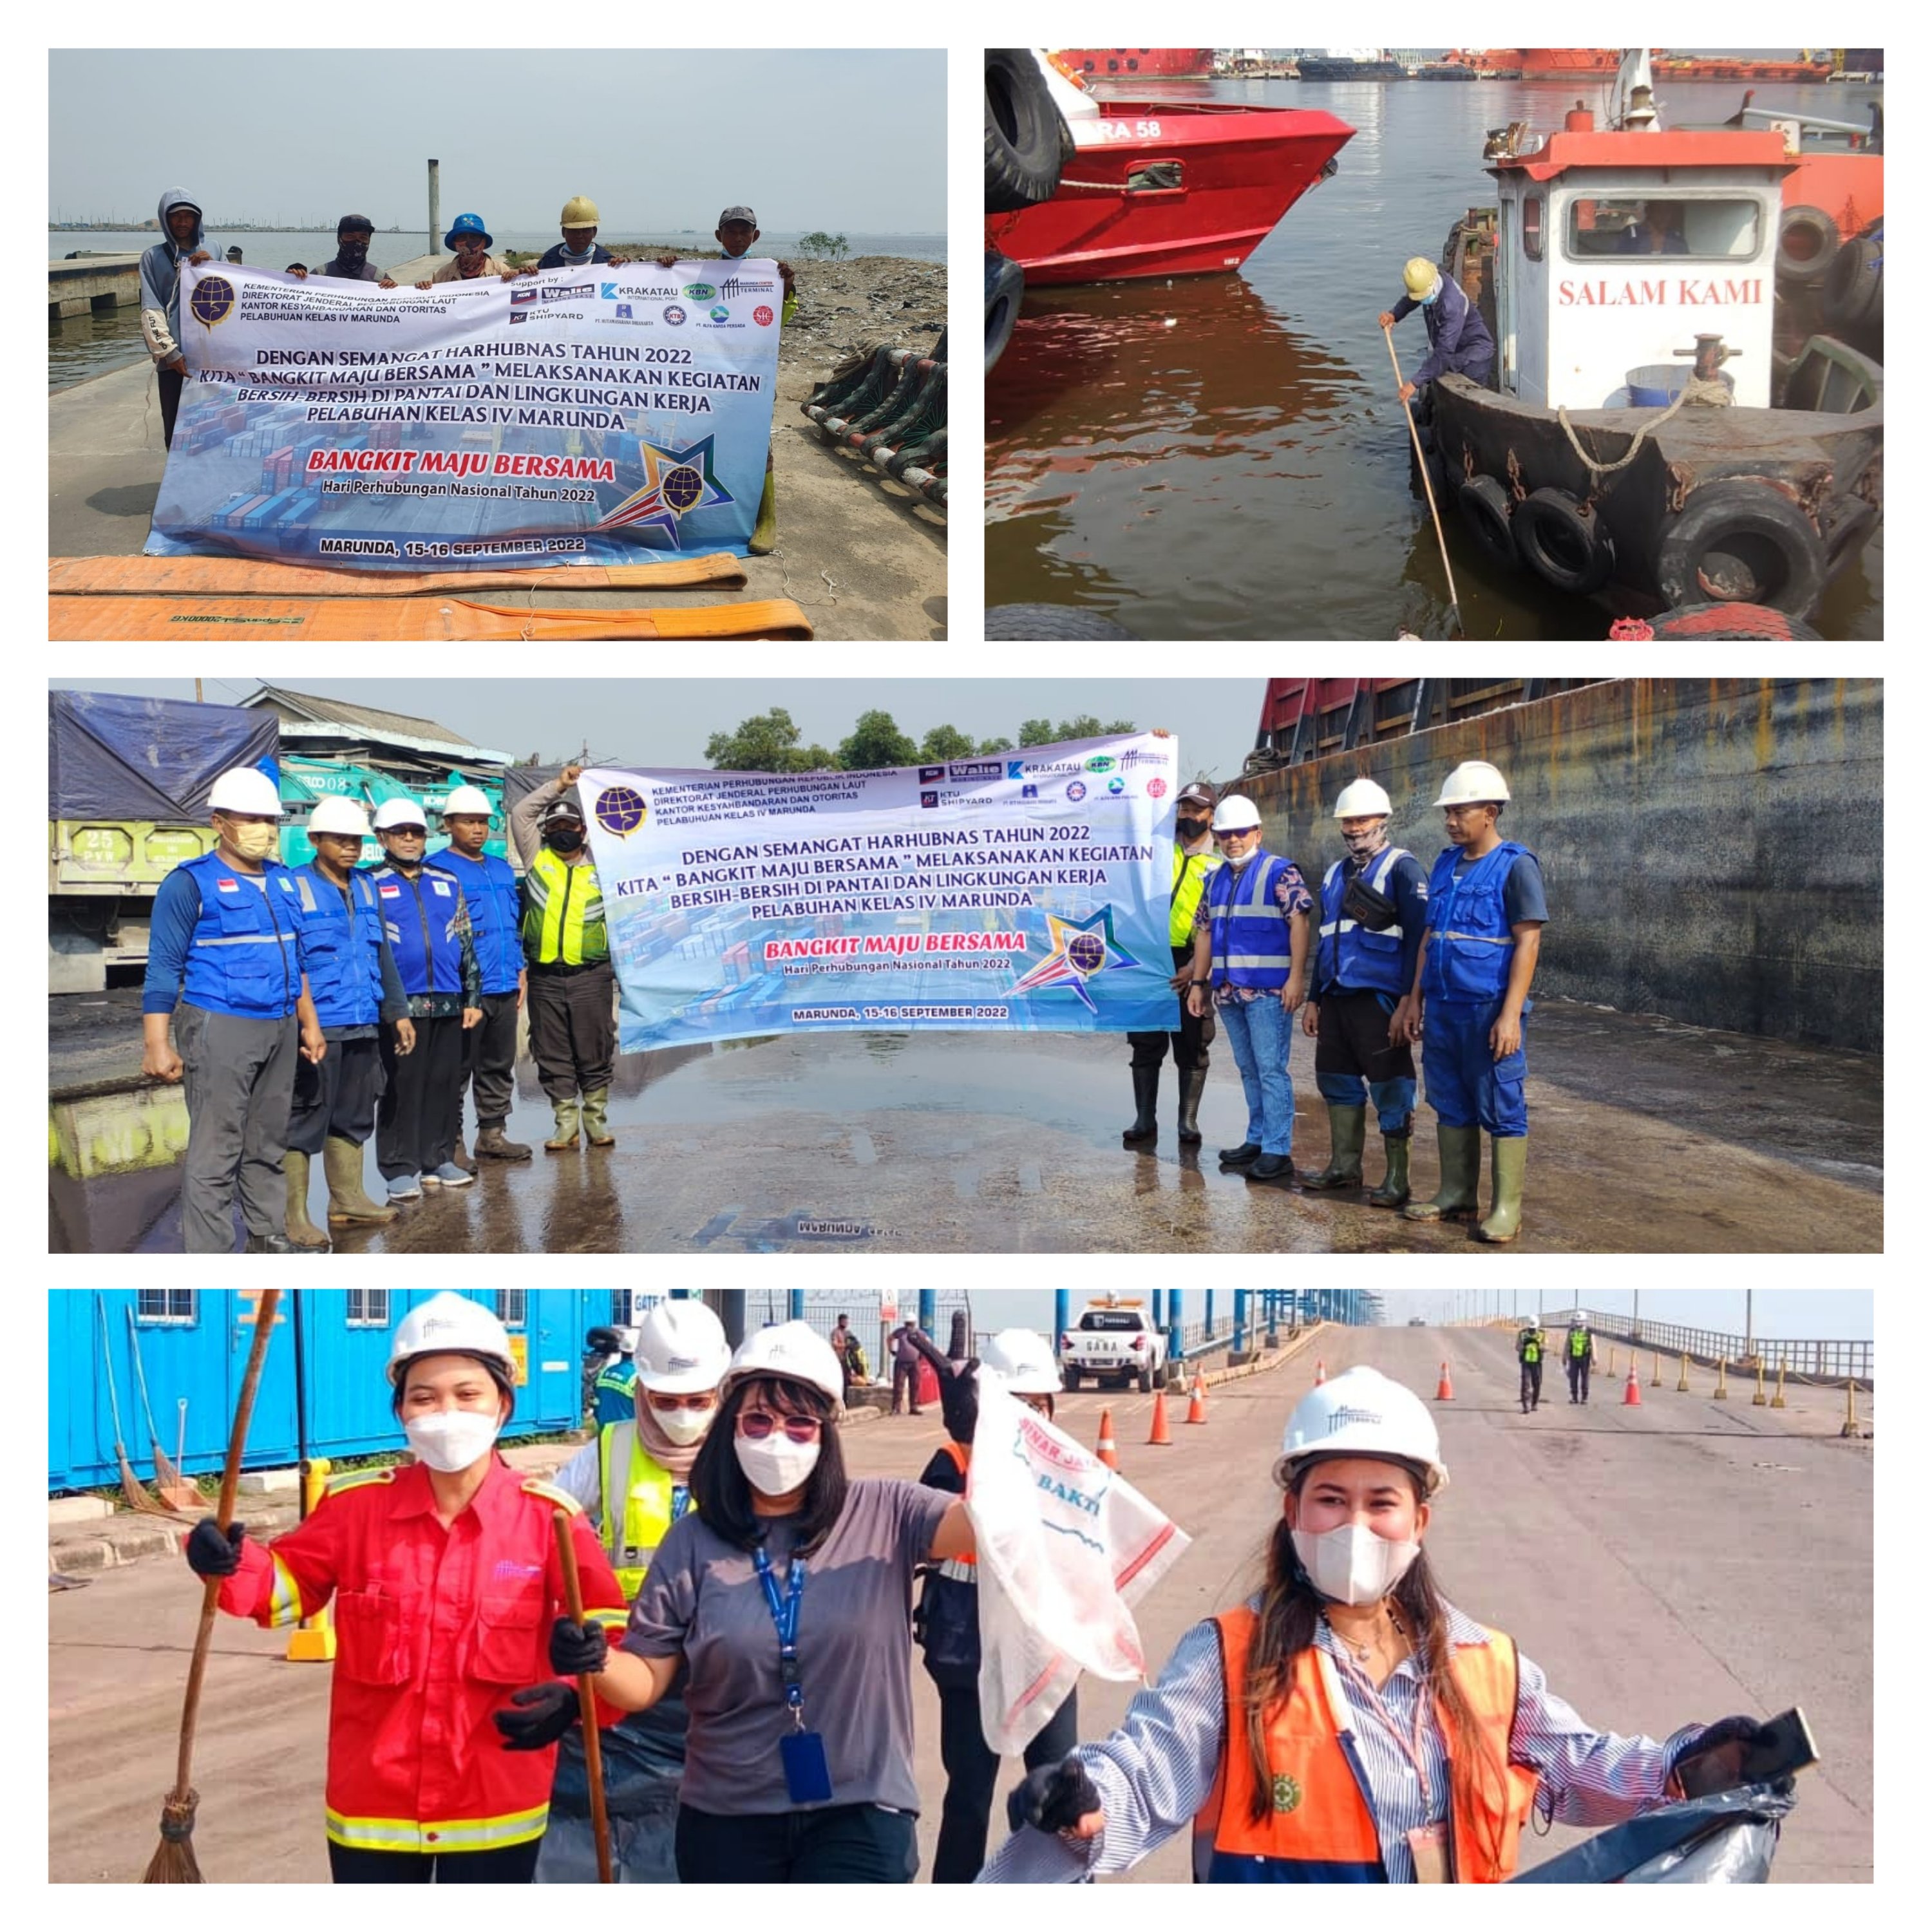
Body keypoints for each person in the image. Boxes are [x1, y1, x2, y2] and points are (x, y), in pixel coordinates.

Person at [983, 1365, 1785, 1884]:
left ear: (1420, 1521)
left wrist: (1694, 1765)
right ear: (1293, 1510)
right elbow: (1147, 1769)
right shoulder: (1230, 1657)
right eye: (1331, 1499)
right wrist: (1089, 1798)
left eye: (1382, 1503)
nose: (1355, 1526)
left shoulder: (1484, 1662)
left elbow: (1577, 1767)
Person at [180, 1293, 628, 1884]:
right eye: (424, 1397)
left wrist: (576, 1695)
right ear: (400, 1412)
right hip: (373, 1812)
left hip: (498, 1808)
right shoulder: (353, 1508)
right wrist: (225, 1560)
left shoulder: (550, 1519)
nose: (446, 1411)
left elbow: (606, 1630)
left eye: (468, 1394)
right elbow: (284, 1589)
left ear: (503, 1407)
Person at [539, 1320, 980, 1882]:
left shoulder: (885, 1511)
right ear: (732, 1429)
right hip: (727, 1817)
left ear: (827, 1433)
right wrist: (595, 1660)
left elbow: (985, 1530)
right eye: (758, 1421)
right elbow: (645, 1680)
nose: (778, 1439)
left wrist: (976, 1438)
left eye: (800, 1425)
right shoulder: (693, 1543)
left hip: (860, 1812)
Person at [539, 1298, 735, 1883]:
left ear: (721, 1391)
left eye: (698, 1401)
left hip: (720, 1677)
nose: (683, 1414)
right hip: (625, 1670)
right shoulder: (610, 1449)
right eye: (667, 1400)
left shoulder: (747, 1458)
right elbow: (541, 1524)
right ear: (642, 1389)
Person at [140, 766, 326, 1253]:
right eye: (251, 818)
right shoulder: (190, 884)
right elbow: (162, 968)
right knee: (216, 1149)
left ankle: (268, 1236)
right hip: (220, 1023)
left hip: (281, 1024)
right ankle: (212, 1254)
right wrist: (157, 1044)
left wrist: (309, 1024)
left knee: (267, 1143)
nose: (264, 829)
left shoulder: (282, 882)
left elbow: (298, 956)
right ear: (219, 822)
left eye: (270, 819)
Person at [916, 1329, 1079, 1883]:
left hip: (1044, 1654)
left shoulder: (1069, 1470)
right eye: (1020, 1405)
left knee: (1060, 1794)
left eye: (1041, 1405)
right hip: (971, 1659)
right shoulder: (952, 1462)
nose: (1034, 1417)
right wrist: (977, 1448)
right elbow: (930, 1530)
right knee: (968, 1797)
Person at [1395, 761, 1548, 1245]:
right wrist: (1415, 998)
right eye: (1448, 813)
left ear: (1491, 812)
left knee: (1502, 1105)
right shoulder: (1443, 864)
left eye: (1460, 811)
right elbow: (1429, 936)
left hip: (1487, 1008)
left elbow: (1528, 943)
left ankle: (1507, 1209)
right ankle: (1457, 1193)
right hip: (1442, 1006)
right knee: (1450, 1102)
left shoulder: (1516, 865)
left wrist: (1510, 1015)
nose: (1451, 821)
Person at [283, 795, 413, 1245]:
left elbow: (383, 955)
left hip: (362, 1021)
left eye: (356, 840)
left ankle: (347, 1201)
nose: (351, 847)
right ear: (315, 840)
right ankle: (295, 1217)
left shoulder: (366, 887)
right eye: (340, 839)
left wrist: (397, 1012)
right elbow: (292, 961)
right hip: (318, 1024)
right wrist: (308, 1022)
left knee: (355, 1116)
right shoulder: (293, 887)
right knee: (303, 1120)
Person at [1299, 778, 1430, 1209]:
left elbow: (1419, 941)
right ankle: (1344, 1166)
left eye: (1363, 820)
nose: (1355, 828)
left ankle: (1396, 1178)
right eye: (1348, 821)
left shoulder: (1403, 868)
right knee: (1335, 1080)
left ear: (1383, 820)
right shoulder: (1336, 874)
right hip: (1337, 996)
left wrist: (1411, 1002)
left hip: (1380, 1000)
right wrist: (1315, 998)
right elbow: (1327, 936)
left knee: (1391, 1086)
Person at [1184, 794, 1311, 1184]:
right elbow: (1204, 934)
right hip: (1228, 992)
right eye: (1225, 834)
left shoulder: (1281, 873)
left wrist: (1295, 979)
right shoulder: (1216, 879)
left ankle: (1277, 1149)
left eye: (1240, 833)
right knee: (1249, 1068)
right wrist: (1198, 983)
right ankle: (1256, 1139)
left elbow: (1300, 925)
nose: (1232, 840)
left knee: (1271, 1070)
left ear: (1257, 832)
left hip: (1269, 993)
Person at [656, 207, 797, 554]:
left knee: (757, 444)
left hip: (749, 375)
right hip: (705, 375)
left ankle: (766, 518)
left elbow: (781, 321)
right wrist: (663, 272)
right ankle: (688, 511)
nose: (737, 238)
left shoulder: (769, 274)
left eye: (744, 232)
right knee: (696, 439)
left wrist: (787, 289)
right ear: (718, 236)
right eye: (730, 232)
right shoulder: (701, 273)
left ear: (756, 236)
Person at [369, 797, 483, 1202]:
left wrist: (473, 995)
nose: (409, 839)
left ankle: (438, 1158)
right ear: (381, 836)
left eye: (415, 832)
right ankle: (401, 1167)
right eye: (400, 832)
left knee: (443, 1083)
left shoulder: (447, 881)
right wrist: (389, 1006)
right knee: (403, 1086)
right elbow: (372, 948)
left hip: (450, 1001)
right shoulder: (371, 883)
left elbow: (466, 939)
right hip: (404, 1005)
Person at [510, 766, 616, 1152]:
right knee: (551, 1050)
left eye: (569, 826)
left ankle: (596, 1119)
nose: (561, 833)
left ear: (584, 831)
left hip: (591, 975)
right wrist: (559, 785)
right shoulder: (538, 859)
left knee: (595, 1046)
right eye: (554, 828)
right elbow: (521, 813)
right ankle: (565, 1123)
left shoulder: (605, 865)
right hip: (544, 978)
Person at [428, 786, 530, 1166]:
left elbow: (511, 925)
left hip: (505, 982)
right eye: (469, 822)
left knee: (498, 1064)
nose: (478, 829)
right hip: (465, 988)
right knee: (457, 1069)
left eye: (483, 822)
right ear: (449, 824)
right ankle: (451, 1141)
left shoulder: (501, 867)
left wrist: (521, 970)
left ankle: (492, 1134)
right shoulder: (437, 869)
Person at [1124, 780, 1222, 1149]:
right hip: (1151, 955)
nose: (1189, 816)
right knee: (1145, 1040)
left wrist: (1199, 969)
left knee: (1193, 1042)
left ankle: (1187, 1120)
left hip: (1194, 958)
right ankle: (1144, 1118)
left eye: (1197, 810)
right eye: (1183, 808)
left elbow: (1222, 923)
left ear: (1211, 815)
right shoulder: (1158, 849)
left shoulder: (1220, 861)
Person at [138, 188, 211, 448]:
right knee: (175, 426)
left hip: (211, 356)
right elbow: (151, 308)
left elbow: (234, 293)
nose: (182, 223)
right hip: (174, 361)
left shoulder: (213, 249)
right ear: (165, 219)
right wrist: (169, 353)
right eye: (176, 217)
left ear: (197, 219)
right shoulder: (152, 257)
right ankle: (177, 484)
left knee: (214, 421)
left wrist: (213, 267)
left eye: (188, 216)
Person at [1378, 256, 1495, 404]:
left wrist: (1414, 384)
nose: (1422, 300)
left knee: (1472, 404)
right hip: (1454, 352)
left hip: (1474, 356)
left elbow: (1444, 352)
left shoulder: (1451, 306)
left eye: (1424, 296)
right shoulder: (1432, 281)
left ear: (1432, 284)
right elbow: (1411, 300)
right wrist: (1394, 315)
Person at [417, 213, 515, 288]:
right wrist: (422, 291)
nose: (468, 243)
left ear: (483, 242)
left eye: (474, 237)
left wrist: (524, 277)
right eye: (462, 237)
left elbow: (516, 299)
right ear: (455, 243)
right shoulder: (441, 276)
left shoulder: (501, 271)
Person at [298, 213, 398, 286]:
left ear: (369, 241)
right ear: (339, 239)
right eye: (350, 236)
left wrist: (393, 290)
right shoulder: (320, 274)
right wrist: (292, 279)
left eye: (363, 237)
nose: (357, 241)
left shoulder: (379, 277)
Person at [536, 196, 628, 269]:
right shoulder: (547, 263)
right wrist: (524, 276)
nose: (579, 236)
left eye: (586, 230)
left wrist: (626, 269)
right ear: (564, 232)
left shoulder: (609, 264)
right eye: (573, 231)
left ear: (594, 232)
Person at [1618, 200, 1689, 254]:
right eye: (1660, 211)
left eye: (1668, 212)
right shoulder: (1631, 235)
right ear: (1649, 211)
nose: (1665, 216)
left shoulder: (1675, 238)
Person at [889, 1316, 926, 1415]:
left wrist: (922, 1354)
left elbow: (926, 1343)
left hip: (915, 1362)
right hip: (901, 1362)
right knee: (898, 1385)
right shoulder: (900, 1332)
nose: (909, 1326)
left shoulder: (919, 1333)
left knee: (915, 1385)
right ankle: (896, 1408)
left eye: (911, 1323)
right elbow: (890, 1338)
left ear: (915, 1323)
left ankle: (913, 1407)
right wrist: (891, 1350)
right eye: (907, 1323)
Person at [1517, 1320, 1547, 1413]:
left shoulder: (1542, 1334)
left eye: (1534, 1329)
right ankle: (1525, 1407)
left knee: (1537, 1384)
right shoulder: (1522, 1334)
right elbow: (1517, 1347)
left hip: (1537, 1363)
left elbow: (1547, 1348)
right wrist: (1523, 1347)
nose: (1532, 1330)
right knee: (1525, 1384)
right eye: (1531, 1328)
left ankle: (1534, 1404)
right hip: (1526, 1363)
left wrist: (1540, 1347)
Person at [1564, 1318, 1595, 1405]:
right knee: (1573, 1377)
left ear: (1584, 1322)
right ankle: (1574, 1397)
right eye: (1576, 1321)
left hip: (1585, 1358)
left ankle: (1584, 1398)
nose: (1578, 1323)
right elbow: (1567, 1344)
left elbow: (1593, 1345)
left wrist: (1594, 1358)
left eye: (1580, 1321)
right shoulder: (1571, 1331)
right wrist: (1564, 1357)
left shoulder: (1589, 1332)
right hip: (1573, 1358)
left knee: (1585, 1378)